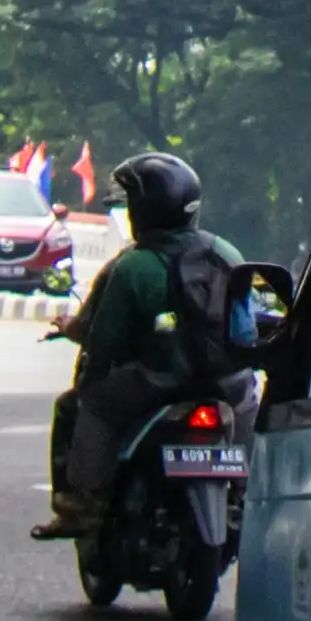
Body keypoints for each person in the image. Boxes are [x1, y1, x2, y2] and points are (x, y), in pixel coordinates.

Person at [39, 150, 221, 541]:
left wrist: (88, 372)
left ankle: (84, 503)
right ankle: (248, 491)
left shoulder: (131, 267)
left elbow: (103, 341)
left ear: (143, 210)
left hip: (157, 381)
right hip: (225, 382)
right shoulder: (225, 253)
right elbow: (267, 311)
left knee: (87, 403)